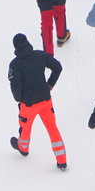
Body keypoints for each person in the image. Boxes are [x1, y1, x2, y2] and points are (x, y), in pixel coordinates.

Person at [7, 33, 67, 170]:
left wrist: (19, 98)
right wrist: (50, 84)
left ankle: (23, 148)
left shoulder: (15, 64)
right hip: (45, 100)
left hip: (28, 105)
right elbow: (57, 67)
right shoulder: (39, 55)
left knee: (25, 128)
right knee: (53, 128)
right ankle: (62, 160)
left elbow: (15, 85)